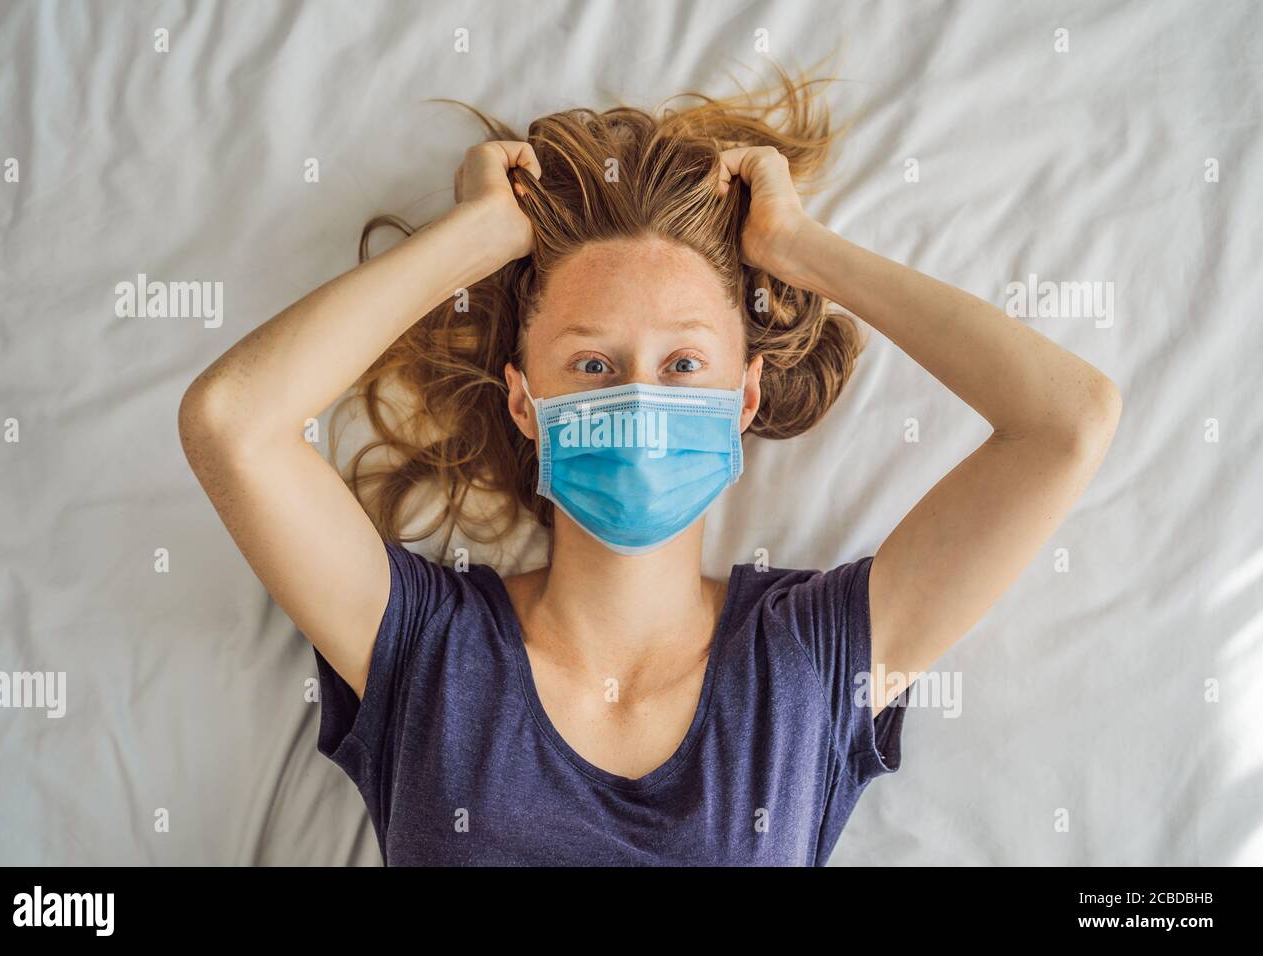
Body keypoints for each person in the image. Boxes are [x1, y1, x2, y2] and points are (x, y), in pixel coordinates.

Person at [178, 71, 1121, 865]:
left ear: (744, 399)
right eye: (592, 365)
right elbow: (232, 424)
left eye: (683, 366)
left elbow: (1067, 422)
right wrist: (474, 240)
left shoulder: (813, 660)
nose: (639, 400)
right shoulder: (427, 648)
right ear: (524, 402)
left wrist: (795, 249)